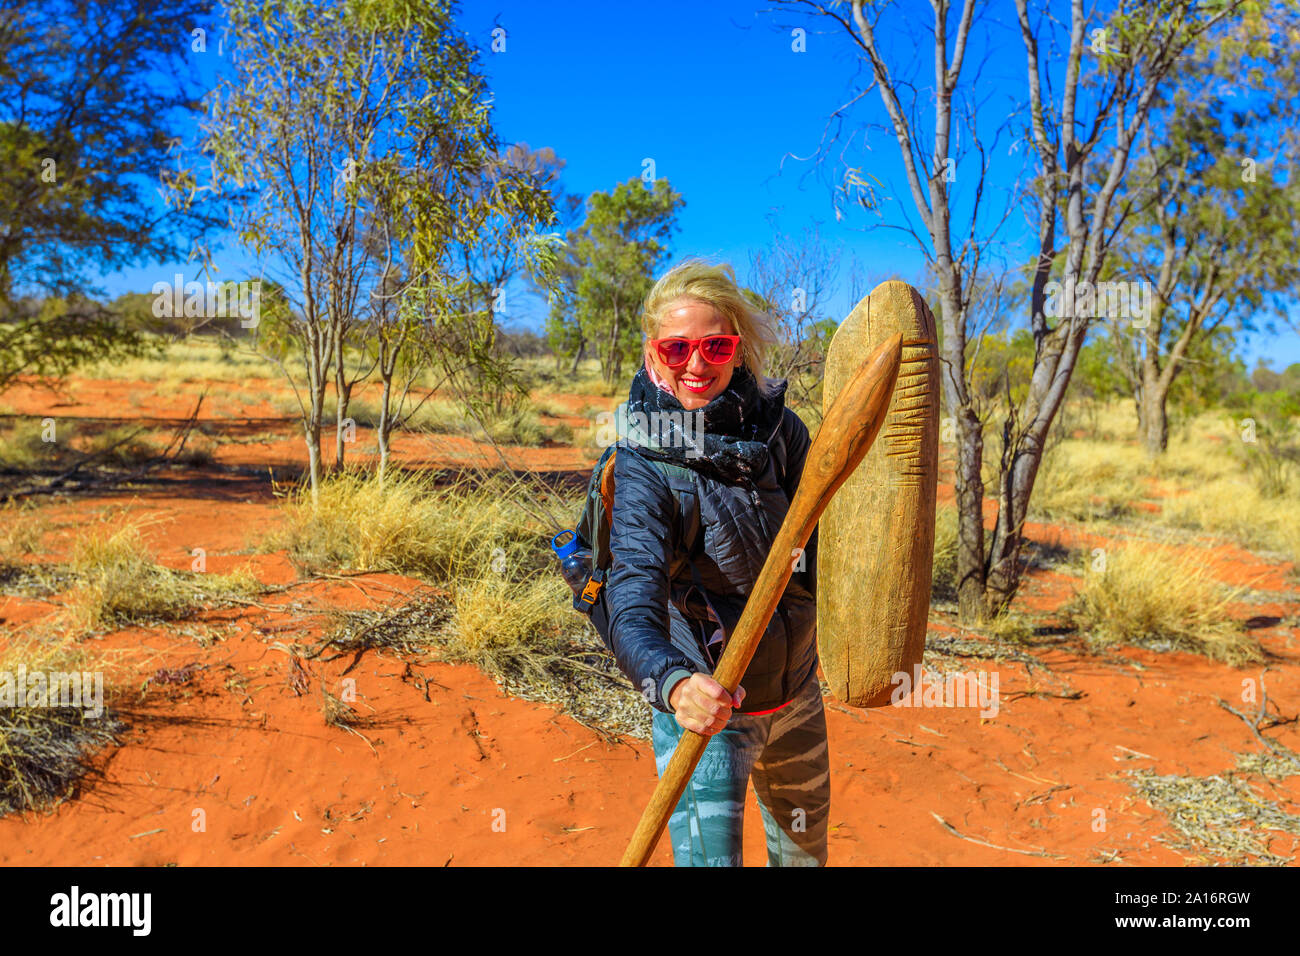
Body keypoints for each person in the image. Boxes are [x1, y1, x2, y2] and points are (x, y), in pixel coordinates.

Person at [604, 258, 829, 867]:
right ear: (654, 355)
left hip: (797, 695)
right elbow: (630, 596)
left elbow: (827, 550)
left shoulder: (783, 433)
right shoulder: (643, 463)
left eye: (715, 345)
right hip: (709, 715)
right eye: (677, 349)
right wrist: (675, 685)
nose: (697, 365)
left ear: (739, 348)